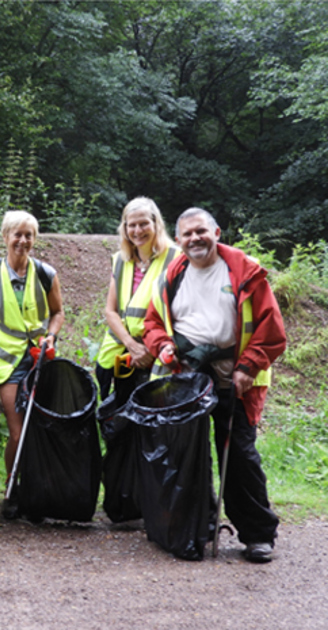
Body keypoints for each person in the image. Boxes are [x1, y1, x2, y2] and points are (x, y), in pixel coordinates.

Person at [143, 207, 286, 563]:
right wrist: (162, 344)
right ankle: (196, 527)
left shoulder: (245, 272)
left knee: (239, 455)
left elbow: (272, 332)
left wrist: (249, 367)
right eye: (187, 234)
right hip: (187, 379)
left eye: (201, 231)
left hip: (234, 378)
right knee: (187, 456)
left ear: (217, 232)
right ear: (178, 241)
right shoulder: (171, 276)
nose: (195, 239)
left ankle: (257, 534)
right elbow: (153, 323)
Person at [0, 210, 65, 519]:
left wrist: (51, 336)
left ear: (34, 239)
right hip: (4, 358)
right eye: (17, 234)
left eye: (29, 235)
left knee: (42, 428)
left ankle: (38, 489)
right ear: (5, 237)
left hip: (38, 356)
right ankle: (11, 489)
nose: (23, 241)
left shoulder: (47, 273)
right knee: (18, 431)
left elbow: (58, 312)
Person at [95, 197, 179, 406]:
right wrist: (131, 345)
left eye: (143, 224)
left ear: (156, 224)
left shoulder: (176, 259)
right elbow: (111, 311)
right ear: (124, 229)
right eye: (131, 225)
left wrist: (150, 349)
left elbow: (181, 313)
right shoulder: (120, 260)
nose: (137, 230)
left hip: (156, 351)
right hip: (124, 350)